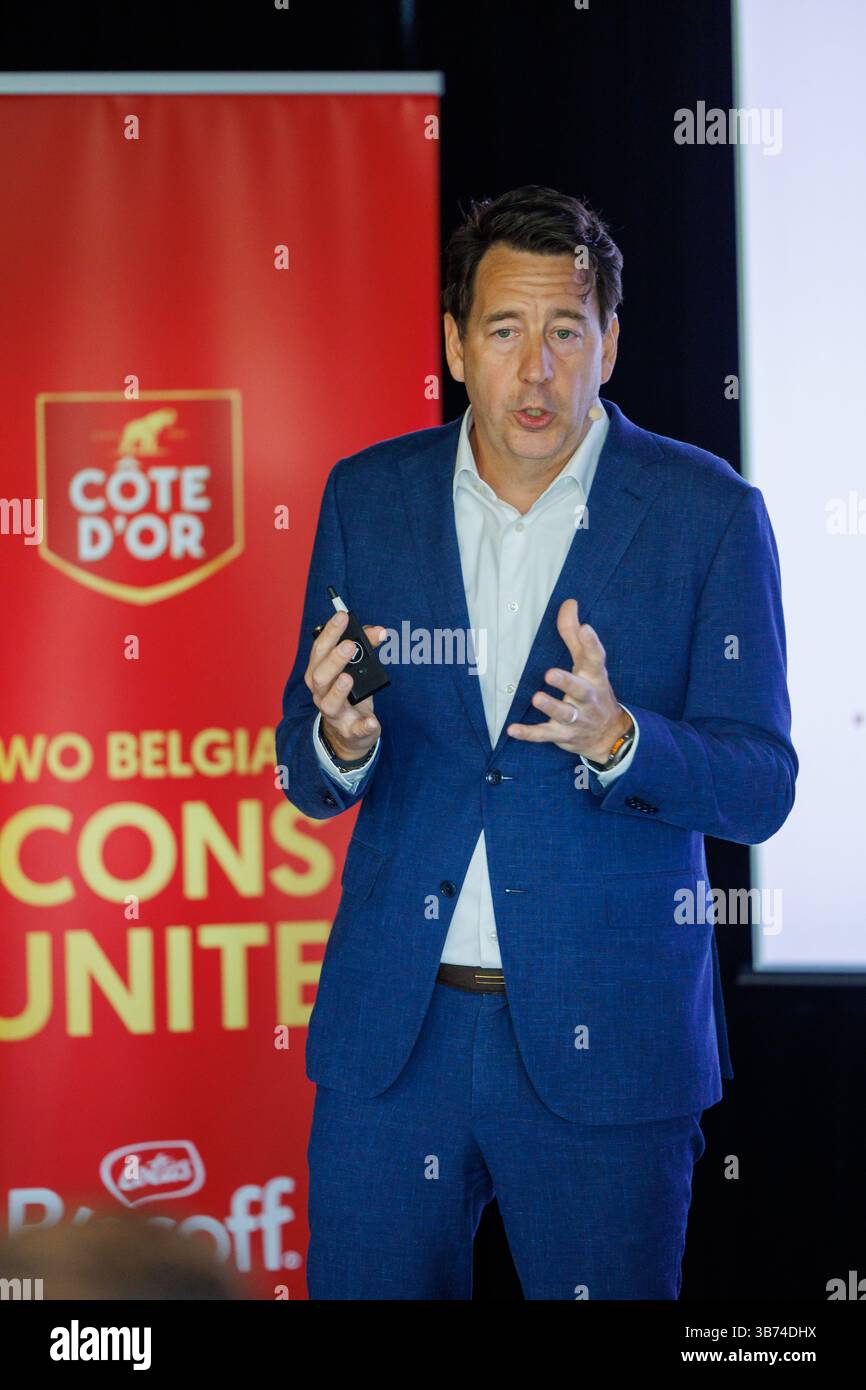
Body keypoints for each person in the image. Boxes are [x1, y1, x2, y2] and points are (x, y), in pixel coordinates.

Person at [275, 184, 797, 1300]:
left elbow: (760, 787)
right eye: (505, 331)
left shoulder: (706, 513)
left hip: (609, 1044)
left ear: (609, 341)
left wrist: (623, 741)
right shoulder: (367, 498)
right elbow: (303, 770)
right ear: (456, 346)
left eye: (566, 330)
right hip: (393, 1044)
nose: (537, 367)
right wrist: (336, 736)